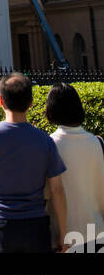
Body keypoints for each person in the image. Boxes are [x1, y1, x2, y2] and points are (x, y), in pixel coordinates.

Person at [0, 73, 67, 253]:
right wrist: (63, 235)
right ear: (31, 102)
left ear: (1, 100)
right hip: (35, 223)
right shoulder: (45, 140)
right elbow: (57, 189)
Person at [43, 82, 104, 251]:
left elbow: (48, 193)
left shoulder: (50, 144)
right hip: (98, 232)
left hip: (65, 237)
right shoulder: (98, 142)